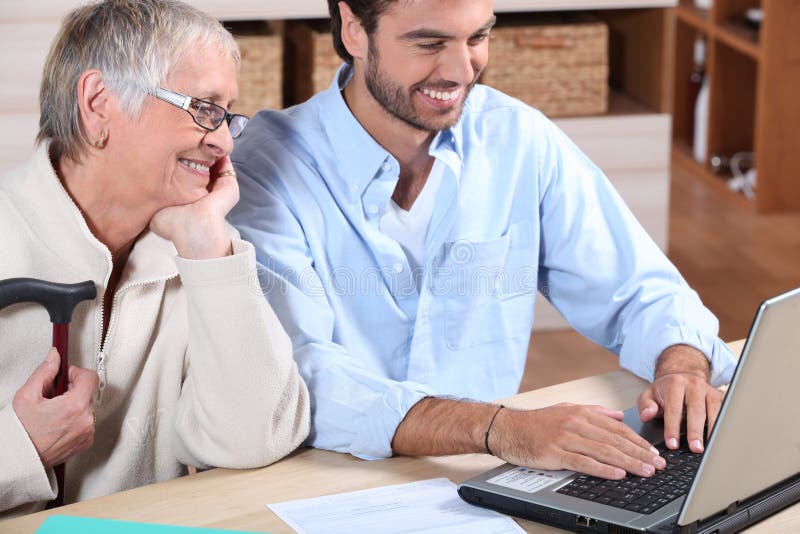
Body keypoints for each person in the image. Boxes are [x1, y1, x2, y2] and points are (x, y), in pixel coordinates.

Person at [228, 0, 737, 481]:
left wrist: (683, 366)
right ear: (354, 30)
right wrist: (500, 428)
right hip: (322, 474)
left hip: (479, 473)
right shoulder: (265, 170)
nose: (461, 69)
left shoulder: (515, 137)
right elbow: (296, 377)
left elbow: (638, 288)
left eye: (478, 36)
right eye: (429, 43)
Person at [0, 0, 309, 517]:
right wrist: (19, 449)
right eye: (205, 109)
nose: (223, 141)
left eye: (228, 115)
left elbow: (257, 438)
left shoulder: (196, 249)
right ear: (99, 103)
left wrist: (208, 246)